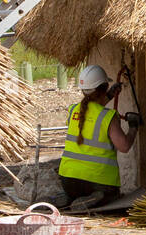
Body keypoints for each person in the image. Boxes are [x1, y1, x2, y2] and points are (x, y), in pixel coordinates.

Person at [58, 64, 140, 212]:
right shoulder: (108, 117)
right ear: (103, 87)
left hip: (68, 181)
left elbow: (91, 112)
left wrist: (108, 96)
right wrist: (134, 126)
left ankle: (70, 198)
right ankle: (95, 198)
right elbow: (124, 146)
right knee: (113, 194)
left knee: (74, 191)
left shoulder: (73, 111)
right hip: (98, 183)